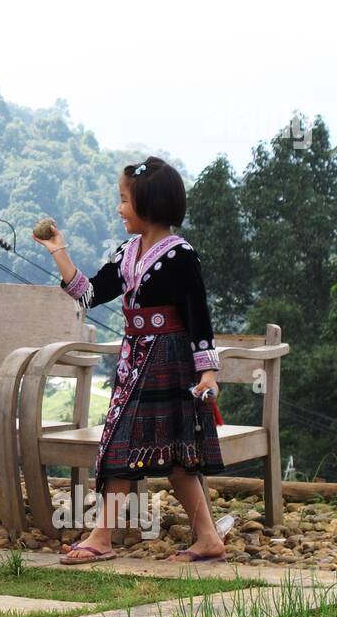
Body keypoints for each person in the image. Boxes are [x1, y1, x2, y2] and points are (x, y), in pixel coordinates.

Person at [33, 156, 226, 564]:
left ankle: (103, 538)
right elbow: (89, 294)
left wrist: (207, 371)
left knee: (157, 451)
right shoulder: (127, 253)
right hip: (135, 358)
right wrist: (59, 252)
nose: (119, 208)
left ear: (149, 203)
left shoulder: (181, 257)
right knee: (149, 450)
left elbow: (198, 316)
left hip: (169, 361)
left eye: (124, 200)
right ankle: (206, 538)